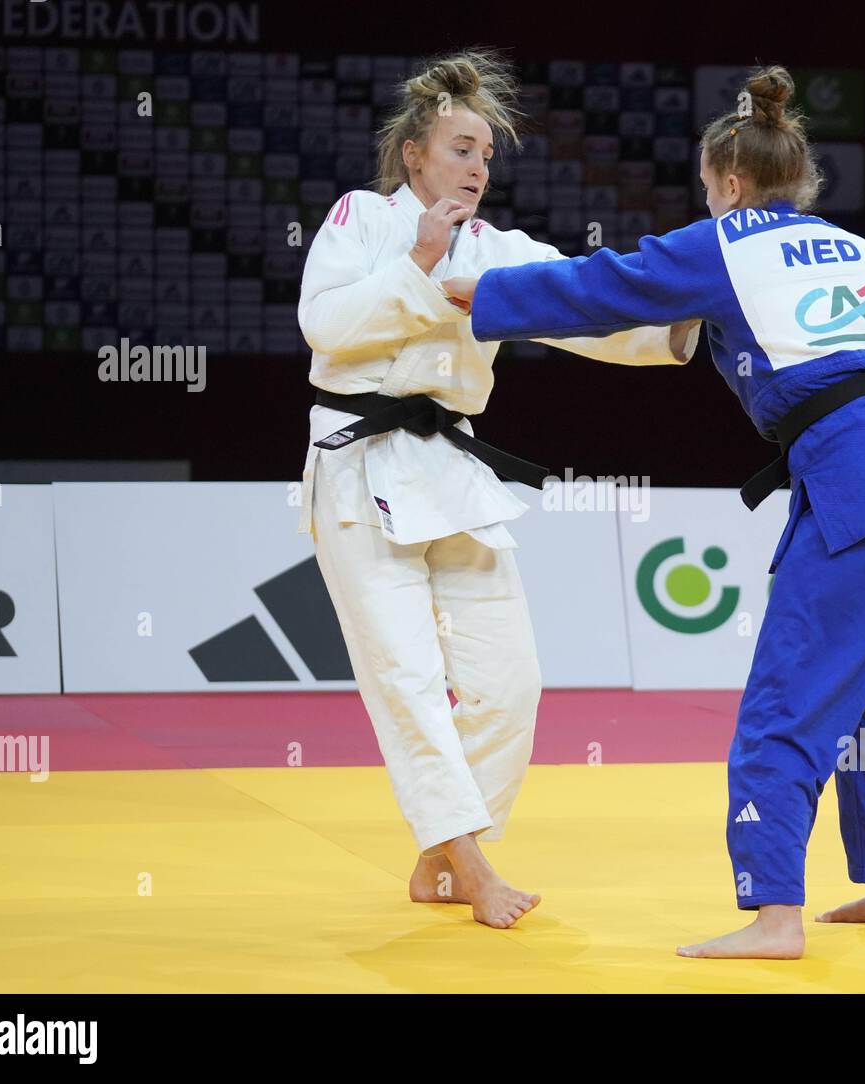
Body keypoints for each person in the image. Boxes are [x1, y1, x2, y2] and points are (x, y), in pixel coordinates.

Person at [445, 66, 865, 958]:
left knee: (788, 698)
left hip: (859, 486)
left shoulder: (727, 243)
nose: (707, 202)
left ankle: (775, 912)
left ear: (729, 184)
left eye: (707, 189)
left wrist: (489, 298)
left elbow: (604, 285)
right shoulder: (862, 253)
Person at [297, 51, 697, 929]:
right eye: (461, 150)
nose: (478, 169)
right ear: (416, 155)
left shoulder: (499, 252)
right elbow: (322, 325)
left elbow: (580, 307)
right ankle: (470, 865)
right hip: (358, 466)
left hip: (453, 470)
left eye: (486, 156)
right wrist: (417, 265)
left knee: (510, 682)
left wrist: (679, 315)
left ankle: (439, 849)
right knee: (404, 677)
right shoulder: (362, 219)